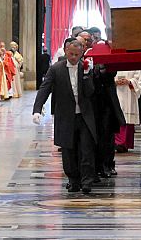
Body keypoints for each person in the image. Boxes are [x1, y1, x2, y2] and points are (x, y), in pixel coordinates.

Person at [33, 38, 98, 193]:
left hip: (84, 116)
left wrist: (87, 75)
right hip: (65, 116)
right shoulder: (56, 69)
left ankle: (87, 181)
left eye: (77, 54)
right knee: (68, 150)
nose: (74, 57)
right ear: (66, 51)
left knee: (86, 149)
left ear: (82, 53)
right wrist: (37, 109)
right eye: (71, 54)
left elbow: (90, 92)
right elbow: (45, 88)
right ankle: (73, 180)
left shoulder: (86, 68)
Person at [114, 71, 140, 153]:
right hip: (117, 92)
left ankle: (125, 144)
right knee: (117, 116)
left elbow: (139, 78)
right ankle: (118, 143)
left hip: (129, 93)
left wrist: (129, 81)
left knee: (127, 119)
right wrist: (115, 82)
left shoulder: (133, 64)